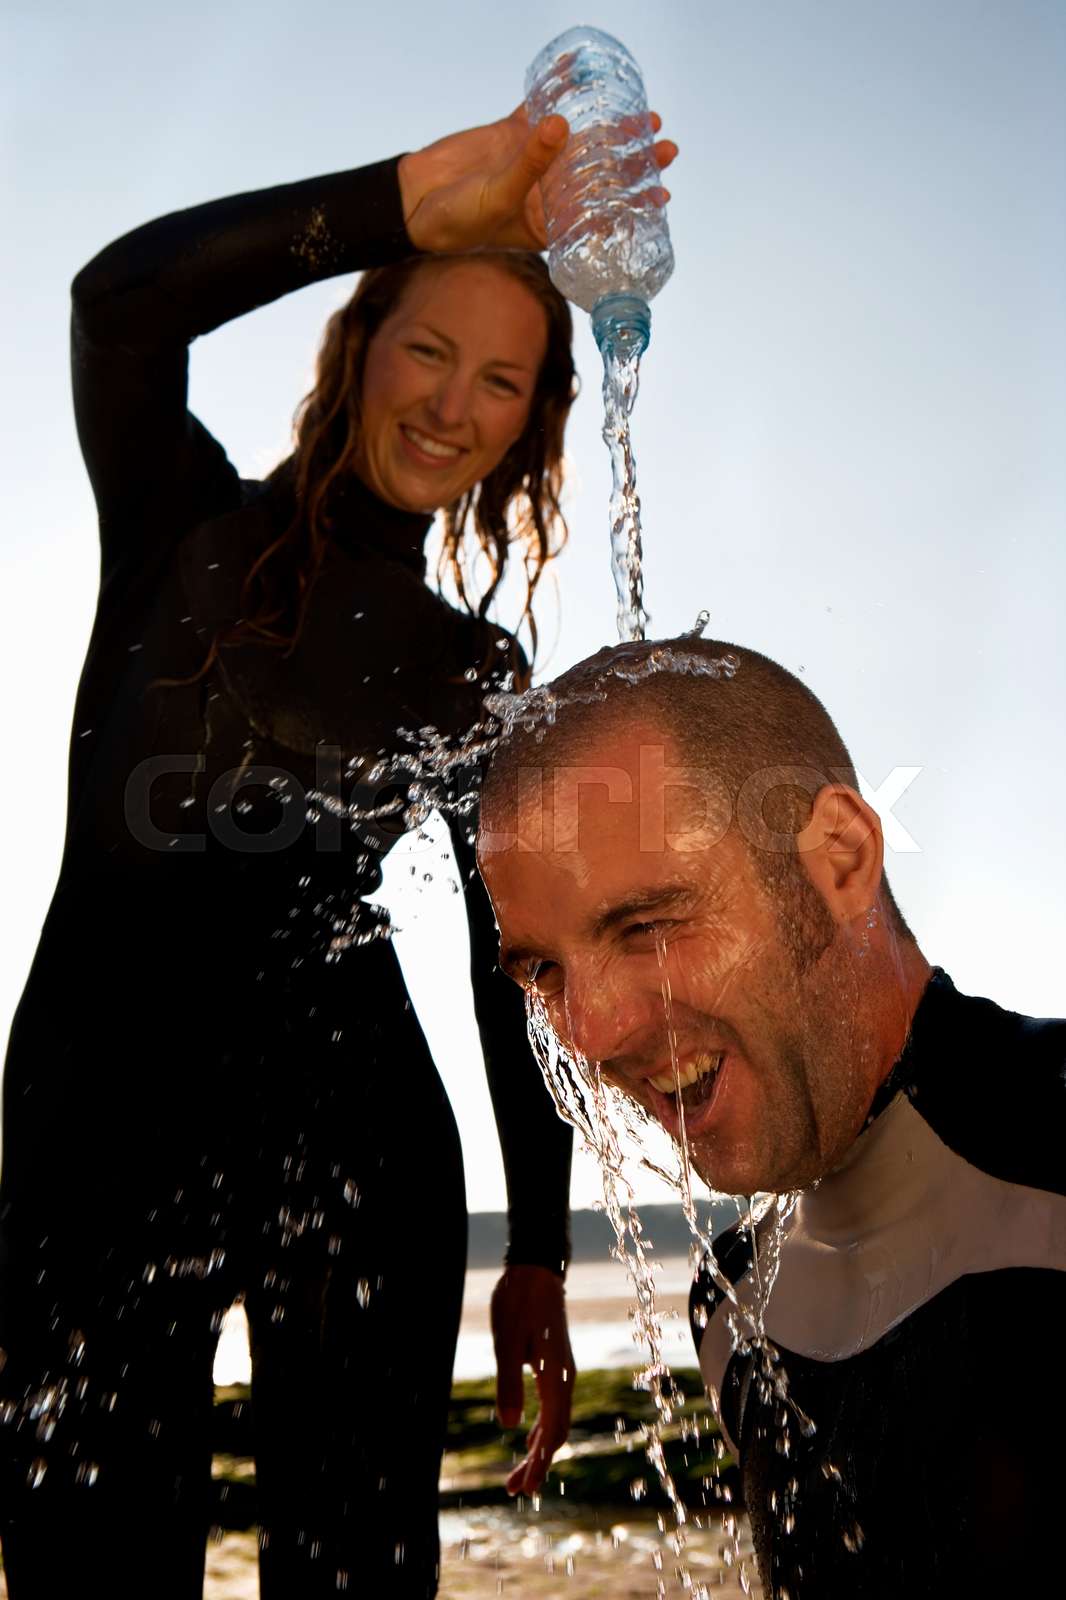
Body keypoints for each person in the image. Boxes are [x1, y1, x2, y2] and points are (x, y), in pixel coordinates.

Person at [0, 111, 678, 1598]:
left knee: (359, 1575)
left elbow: (518, 971)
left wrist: (542, 1259)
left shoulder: (475, 674)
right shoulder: (181, 523)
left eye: (501, 381)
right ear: (361, 340)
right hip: (104, 1106)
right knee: (79, 1560)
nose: (452, 406)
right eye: (429, 348)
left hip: (353, 1134)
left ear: (528, 428)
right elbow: (117, 304)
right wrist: (408, 201)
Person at [477, 635, 1066, 1598]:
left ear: (840, 859)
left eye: (647, 927)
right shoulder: (735, 1309)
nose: (590, 1031)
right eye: (544, 970)